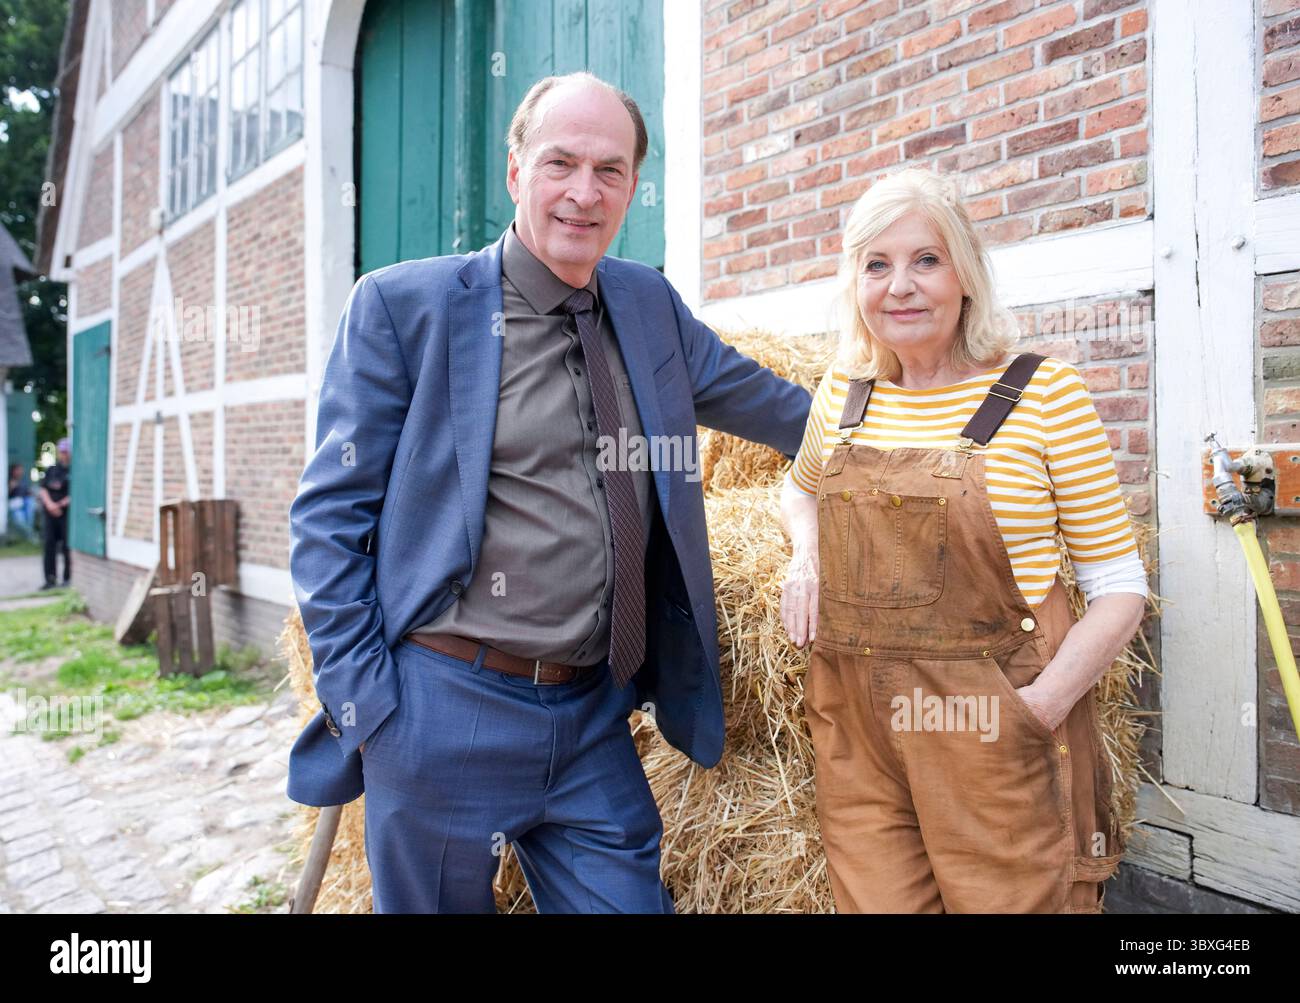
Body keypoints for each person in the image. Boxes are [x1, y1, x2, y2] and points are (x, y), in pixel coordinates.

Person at [286, 71, 812, 913]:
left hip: (592, 715)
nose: (583, 191)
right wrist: (375, 716)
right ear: (515, 172)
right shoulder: (405, 307)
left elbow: (789, 413)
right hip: (442, 711)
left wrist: (933, 433)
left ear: (634, 187)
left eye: (609, 170)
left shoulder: (646, 305)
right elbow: (327, 522)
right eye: (560, 162)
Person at [779, 167, 1148, 913]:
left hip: (993, 724)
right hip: (860, 735)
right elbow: (799, 487)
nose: (901, 286)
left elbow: (1119, 588)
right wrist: (805, 554)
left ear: (966, 274)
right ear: (856, 283)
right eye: (876, 265)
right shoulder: (845, 394)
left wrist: (1038, 708)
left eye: (925, 260)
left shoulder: (1045, 395)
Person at [39, 439, 71, 588]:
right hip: (50, 514)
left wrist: (59, 504)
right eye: (61, 452)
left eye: (65, 452)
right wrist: (50, 505)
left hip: (65, 515)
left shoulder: (72, 471)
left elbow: (75, 493)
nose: (63, 455)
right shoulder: (52, 469)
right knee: (49, 545)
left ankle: (67, 578)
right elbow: (43, 488)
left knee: (66, 546)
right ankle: (50, 579)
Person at [8, 463, 34, 543]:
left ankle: (29, 536)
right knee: (20, 521)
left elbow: (29, 492)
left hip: (25, 503)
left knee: (30, 503)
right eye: (18, 470)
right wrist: (11, 487)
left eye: (21, 470)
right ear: (13, 471)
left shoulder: (24, 480)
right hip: (14, 504)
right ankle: (30, 535)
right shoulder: (9, 480)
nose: (20, 472)